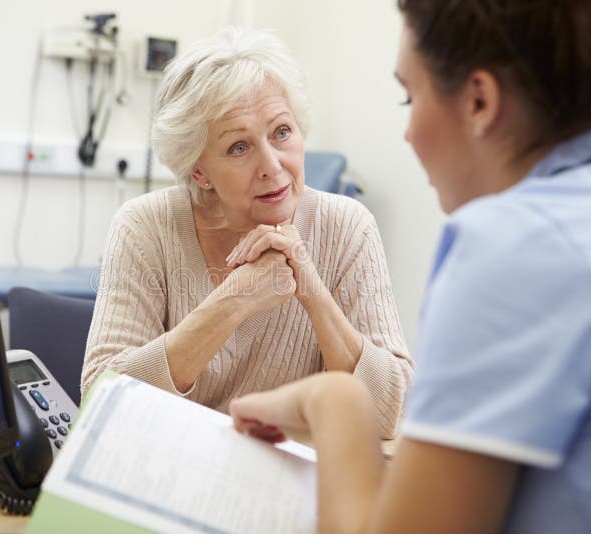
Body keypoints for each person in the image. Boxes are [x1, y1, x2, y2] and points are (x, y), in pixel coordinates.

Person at [230, 1, 591, 532]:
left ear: (478, 100)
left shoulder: (519, 247)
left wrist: (333, 403)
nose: (407, 133)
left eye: (409, 94)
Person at [81, 27, 413, 437]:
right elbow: (101, 403)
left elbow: (388, 415)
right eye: (240, 147)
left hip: (288, 486)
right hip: (170, 476)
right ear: (199, 171)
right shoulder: (145, 227)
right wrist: (234, 299)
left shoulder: (347, 226)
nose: (272, 164)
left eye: (282, 132)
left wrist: (310, 287)